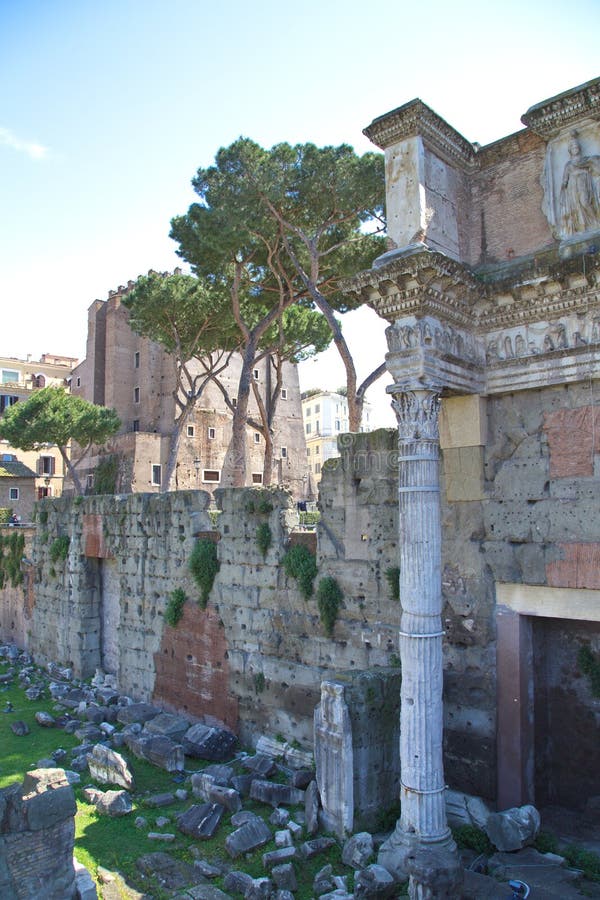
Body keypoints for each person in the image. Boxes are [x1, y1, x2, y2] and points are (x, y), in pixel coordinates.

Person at [559, 133, 600, 237]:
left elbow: (594, 169)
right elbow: (565, 179)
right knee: (577, 207)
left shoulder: (586, 160)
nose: (575, 148)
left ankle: (595, 222)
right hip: (572, 188)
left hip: (584, 184)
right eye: (573, 147)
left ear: (579, 148)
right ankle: (583, 227)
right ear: (570, 150)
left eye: (577, 146)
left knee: (585, 202)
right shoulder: (568, 165)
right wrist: (564, 185)